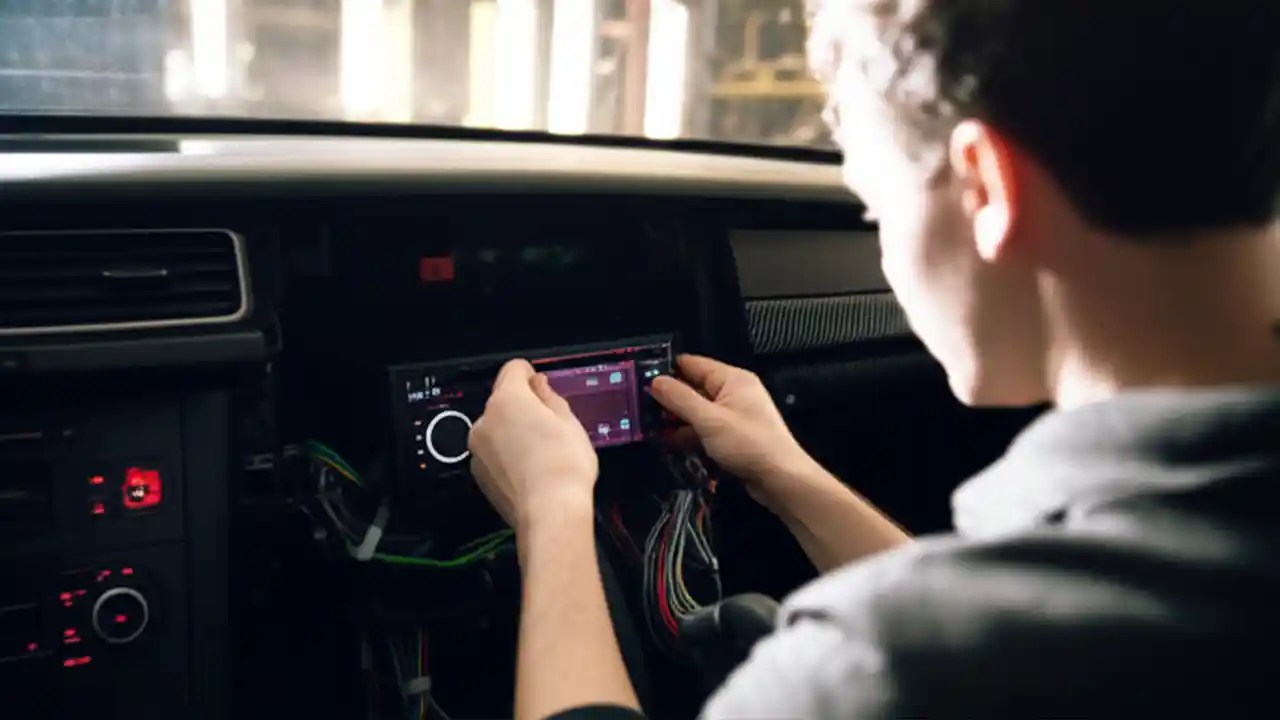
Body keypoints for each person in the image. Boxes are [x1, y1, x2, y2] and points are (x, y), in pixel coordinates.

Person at [467, 1, 1280, 717]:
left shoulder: (868, 674)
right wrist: (788, 473)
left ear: (986, 186)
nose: (885, 246)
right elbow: (1013, 614)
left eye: (876, 206)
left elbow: (960, 640)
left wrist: (552, 513)